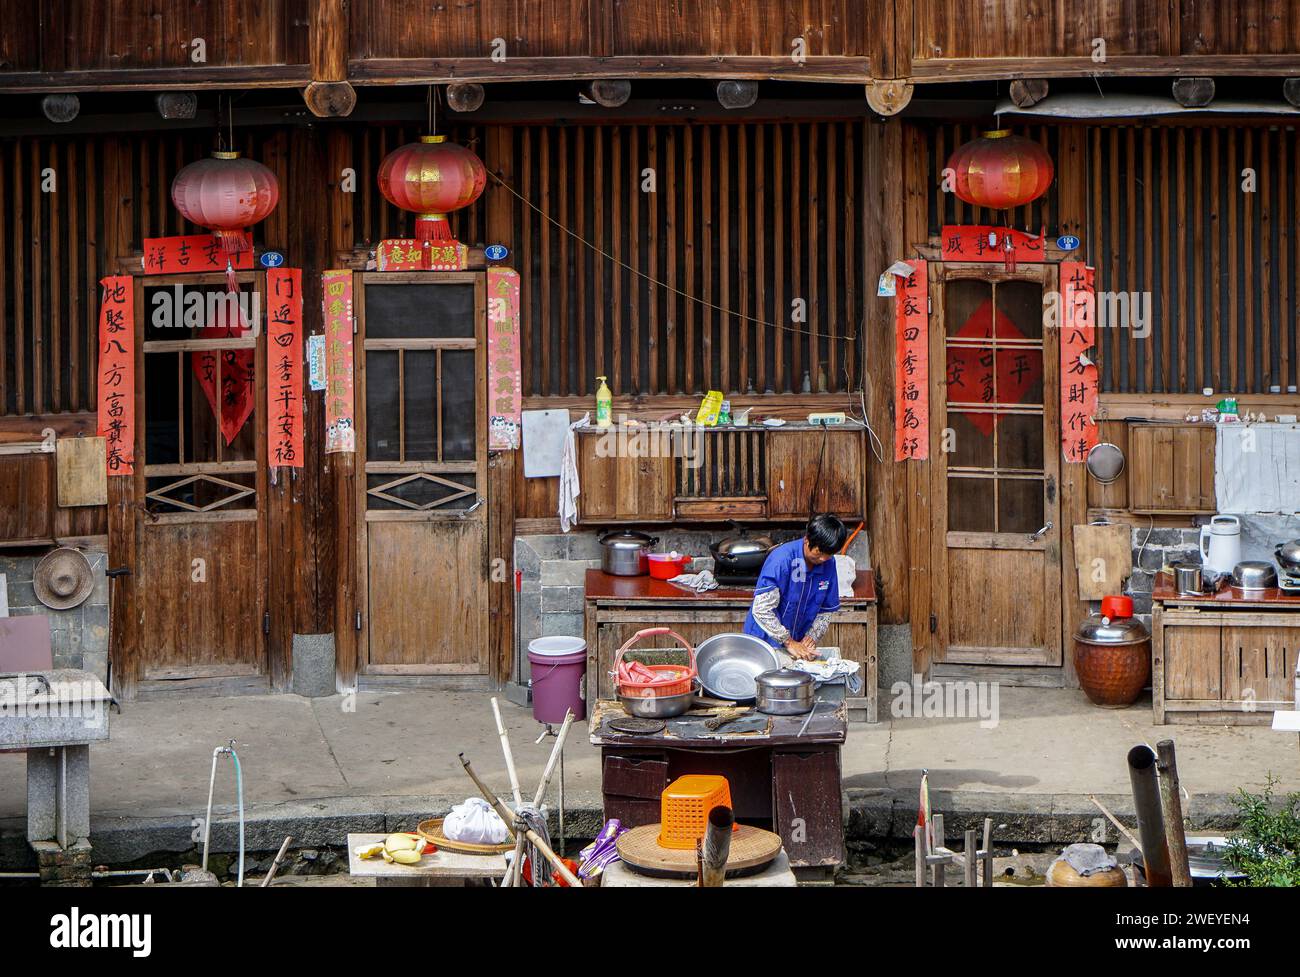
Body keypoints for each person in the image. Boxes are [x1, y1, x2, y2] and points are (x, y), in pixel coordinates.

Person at [742, 514, 849, 660]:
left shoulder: (829, 564)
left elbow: (825, 610)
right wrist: (788, 641)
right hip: (763, 643)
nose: (824, 558)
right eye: (819, 552)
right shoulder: (782, 559)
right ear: (807, 540)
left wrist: (812, 636)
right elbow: (762, 610)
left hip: (797, 645)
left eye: (829, 554)